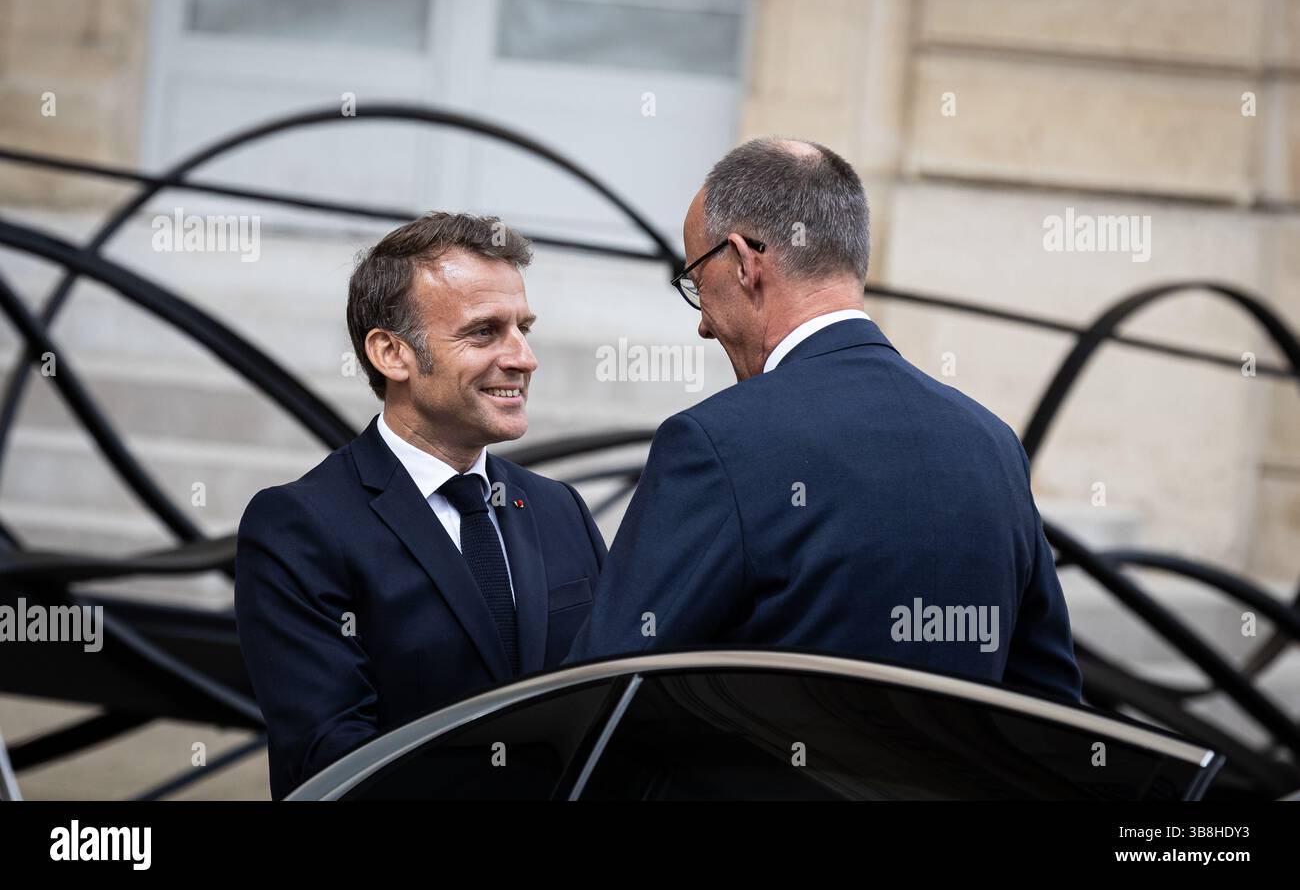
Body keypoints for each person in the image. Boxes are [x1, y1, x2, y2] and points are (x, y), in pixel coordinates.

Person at [566, 138, 1082, 703]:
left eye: (697, 283)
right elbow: (1050, 707)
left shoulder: (716, 442)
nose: (703, 327)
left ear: (743, 262)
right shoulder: (991, 445)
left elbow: (603, 686)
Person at [235, 213, 606, 798]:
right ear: (391, 353)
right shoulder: (300, 527)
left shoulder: (560, 509)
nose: (523, 357)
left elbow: (610, 711)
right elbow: (332, 763)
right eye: (484, 332)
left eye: (523, 328)